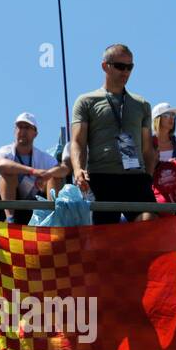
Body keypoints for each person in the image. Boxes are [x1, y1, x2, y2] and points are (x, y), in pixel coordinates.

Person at [70, 44, 156, 224]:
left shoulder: (142, 104)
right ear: (105, 66)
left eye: (129, 67)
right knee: (103, 232)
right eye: (119, 66)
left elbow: (147, 148)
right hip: (101, 176)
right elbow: (78, 141)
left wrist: (147, 177)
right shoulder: (86, 101)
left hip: (135, 177)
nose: (125, 72)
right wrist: (78, 169)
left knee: (150, 221)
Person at [0, 113, 64, 223]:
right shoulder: (5, 151)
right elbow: (0, 165)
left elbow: (63, 170)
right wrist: (33, 171)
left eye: (27, 127)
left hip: (33, 211)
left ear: (35, 133)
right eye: (19, 127)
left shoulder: (42, 157)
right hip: (5, 212)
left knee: (54, 176)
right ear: (14, 130)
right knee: (7, 174)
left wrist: (47, 175)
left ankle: (52, 219)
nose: (22, 131)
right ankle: (10, 219)